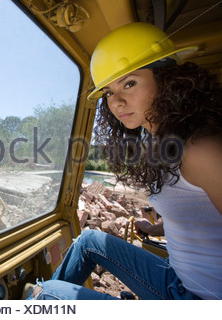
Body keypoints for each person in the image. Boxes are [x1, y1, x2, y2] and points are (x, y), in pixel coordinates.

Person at [29, 22, 222, 300]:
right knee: (88, 241)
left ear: (168, 79)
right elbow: (200, 212)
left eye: (129, 83)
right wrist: (156, 228)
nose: (116, 102)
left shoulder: (202, 149)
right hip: (178, 278)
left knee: (46, 296)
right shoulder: (162, 143)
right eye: (108, 92)